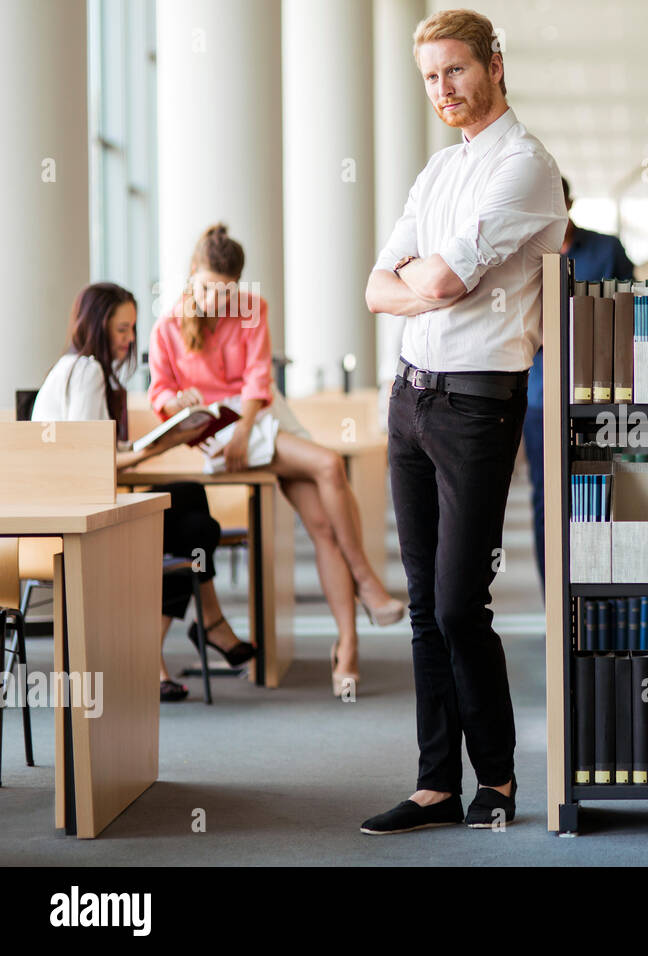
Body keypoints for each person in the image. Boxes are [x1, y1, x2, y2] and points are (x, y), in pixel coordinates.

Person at [360, 8, 566, 834]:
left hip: (479, 404)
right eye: (430, 77)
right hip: (410, 400)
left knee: (457, 604)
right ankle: (435, 783)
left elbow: (438, 283)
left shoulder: (526, 169)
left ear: (493, 65)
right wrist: (428, 282)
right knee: (420, 605)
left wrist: (427, 283)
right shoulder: (438, 172)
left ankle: (502, 780)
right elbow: (381, 288)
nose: (442, 90)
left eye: (455, 71)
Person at [149, 224, 406, 698]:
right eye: (207, 288)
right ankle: (367, 584)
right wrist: (178, 403)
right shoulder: (166, 328)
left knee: (323, 525)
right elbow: (158, 392)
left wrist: (245, 427)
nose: (216, 301)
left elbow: (256, 381)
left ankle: (347, 645)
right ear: (192, 274)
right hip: (216, 436)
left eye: (226, 292)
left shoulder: (252, 310)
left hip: (260, 421)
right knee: (329, 465)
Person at [31, 282, 256, 703]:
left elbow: (96, 449)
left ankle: (197, 629)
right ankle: (190, 633)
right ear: (96, 326)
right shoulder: (87, 372)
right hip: (83, 523)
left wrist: (156, 442)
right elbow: (86, 460)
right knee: (196, 529)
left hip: (85, 510)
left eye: (132, 328)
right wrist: (163, 445)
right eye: (121, 329)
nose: (130, 339)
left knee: (190, 499)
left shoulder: (76, 369)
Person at [523, 176, 635, 586]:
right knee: (548, 497)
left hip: (604, 392)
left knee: (604, 487)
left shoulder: (607, 249)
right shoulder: (525, 257)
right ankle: (554, 598)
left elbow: (630, 315)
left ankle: (603, 589)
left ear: (570, 202)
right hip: (542, 396)